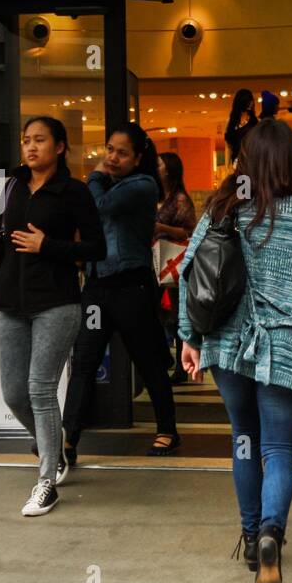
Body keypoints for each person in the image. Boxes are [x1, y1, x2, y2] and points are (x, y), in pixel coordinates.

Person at [177, 119, 292, 583]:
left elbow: (190, 273)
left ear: (245, 160)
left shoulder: (224, 207)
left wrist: (189, 337)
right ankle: (272, 531)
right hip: (285, 345)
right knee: (280, 449)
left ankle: (251, 538)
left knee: (244, 439)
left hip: (228, 343)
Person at [0, 116, 105, 516]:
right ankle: (53, 445)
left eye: (39, 140)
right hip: (11, 302)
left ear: (60, 146)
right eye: (26, 140)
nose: (31, 147)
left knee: (40, 389)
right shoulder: (13, 186)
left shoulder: (74, 192)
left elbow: (97, 248)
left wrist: (47, 245)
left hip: (57, 301)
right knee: (15, 394)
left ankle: (47, 481)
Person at [61, 122, 182, 460]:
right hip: (98, 287)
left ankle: (168, 430)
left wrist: (95, 175)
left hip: (131, 286)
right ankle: (68, 439)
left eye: (122, 153)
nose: (112, 157)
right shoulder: (110, 184)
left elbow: (99, 206)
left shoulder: (142, 185)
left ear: (138, 157)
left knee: (148, 360)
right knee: (84, 361)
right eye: (110, 149)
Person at [156, 151, 196, 383]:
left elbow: (188, 231)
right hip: (155, 259)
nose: (156, 168)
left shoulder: (179, 199)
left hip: (173, 260)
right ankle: (165, 358)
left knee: (177, 313)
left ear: (169, 170)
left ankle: (181, 365)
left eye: (160, 165)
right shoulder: (156, 195)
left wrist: (162, 228)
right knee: (158, 313)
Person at [223, 89, 258, 165]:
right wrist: (227, 165)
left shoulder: (254, 122)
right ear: (241, 102)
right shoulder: (231, 122)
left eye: (251, 101)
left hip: (252, 162)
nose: (251, 103)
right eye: (248, 101)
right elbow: (228, 146)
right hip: (236, 162)